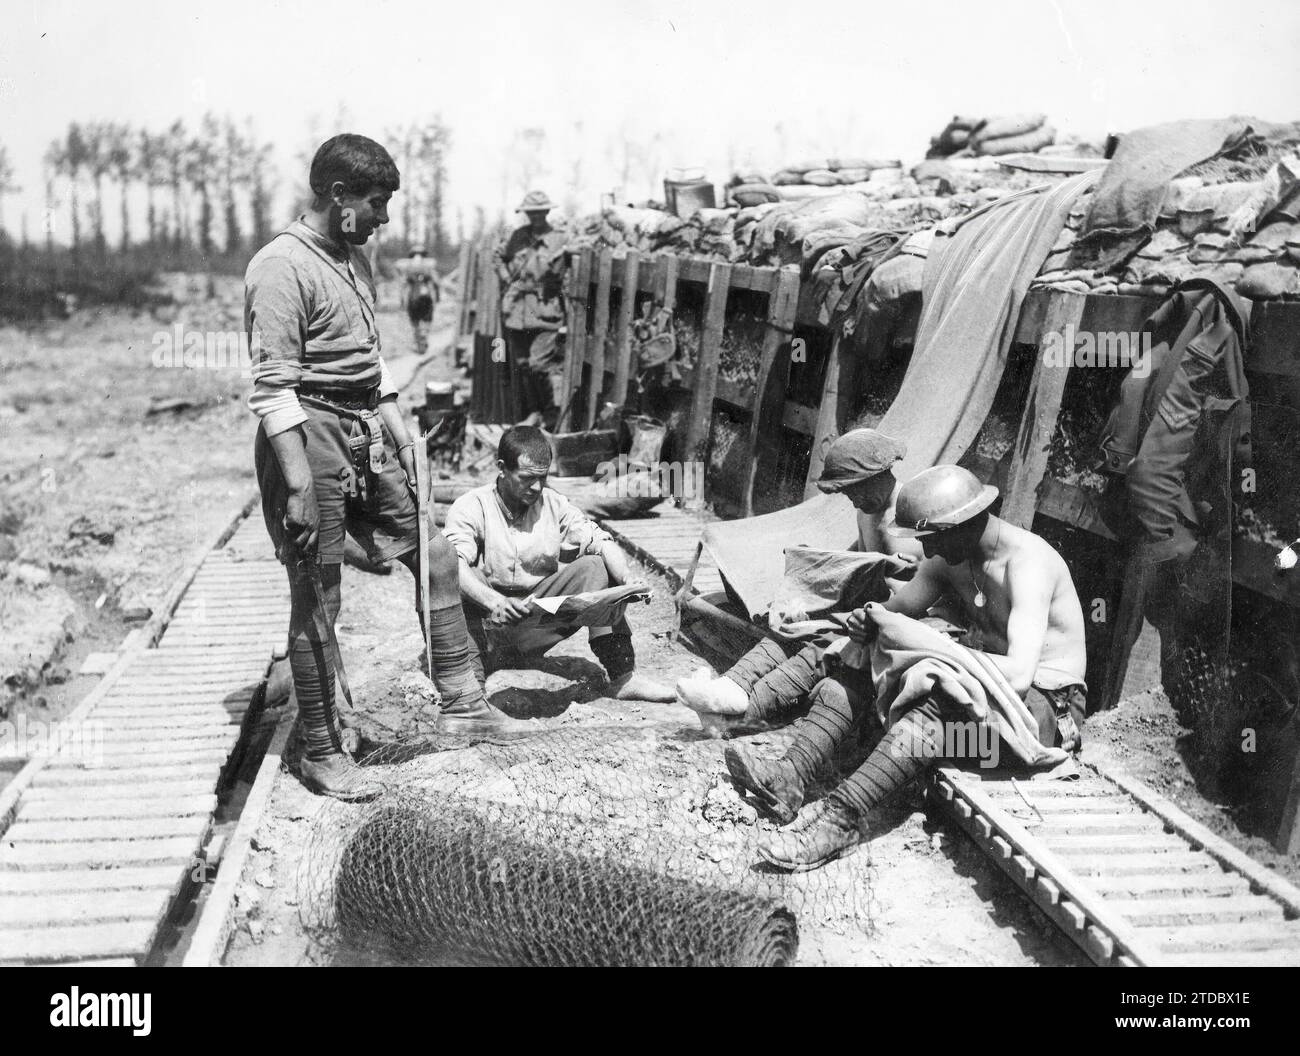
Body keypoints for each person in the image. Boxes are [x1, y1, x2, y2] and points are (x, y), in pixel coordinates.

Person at [245, 134, 509, 801]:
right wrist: (299, 485)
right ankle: (320, 750)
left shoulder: (353, 259)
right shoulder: (279, 267)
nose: (384, 218)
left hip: (364, 433)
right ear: (339, 195)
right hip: (307, 438)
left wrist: (405, 440)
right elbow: (273, 389)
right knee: (319, 595)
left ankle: (463, 702)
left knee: (436, 555)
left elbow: (370, 363)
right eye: (376, 203)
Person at [725, 464, 1088, 871]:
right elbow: (895, 611)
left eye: (932, 540)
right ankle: (790, 776)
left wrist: (933, 651)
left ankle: (841, 820)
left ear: (962, 525)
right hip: (985, 711)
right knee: (864, 652)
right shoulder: (951, 554)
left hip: (1038, 720)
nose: (927, 553)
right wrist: (867, 623)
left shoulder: (1028, 563)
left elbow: (1019, 676)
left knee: (937, 705)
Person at [674, 428, 909, 729]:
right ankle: (732, 685)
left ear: (875, 475)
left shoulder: (903, 519)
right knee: (795, 624)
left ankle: (733, 714)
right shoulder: (868, 510)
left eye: (854, 491)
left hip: (886, 624)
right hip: (861, 613)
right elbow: (855, 567)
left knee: (821, 640)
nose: (852, 501)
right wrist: (811, 596)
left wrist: (843, 617)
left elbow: (907, 602)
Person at [442, 426, 675, 702]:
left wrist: (626, 580)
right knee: (450, 573)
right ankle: (473, 692)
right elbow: (453, 564)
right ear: (502, 468)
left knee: (598, 566)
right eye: (527, 478)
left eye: (542, 478)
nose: (536, 487)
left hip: (533, 626)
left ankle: (623, 677)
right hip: (486, 626)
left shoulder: (553, 504)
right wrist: (495, 601)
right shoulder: (472, 506)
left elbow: (600, 540)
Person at [494, 191, 568, 423]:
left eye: (540, 212)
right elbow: (498, 257)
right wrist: (507, 279)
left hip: (545, 309)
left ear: (547, 211)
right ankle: (535, 413)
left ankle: (551, 415)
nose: (535, 216)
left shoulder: (560, 239)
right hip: (517, 311)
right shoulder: (518, 236)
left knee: (539, 363)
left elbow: (568, 272)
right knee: (524, 365)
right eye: (531, 213)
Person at [396, 247, 439, 354]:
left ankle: (417, 342)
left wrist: (402, 301)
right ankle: (423, 338)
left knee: (414, 320)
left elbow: (403, 285)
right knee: (427, 319)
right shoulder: (428, 267)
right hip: (426, 297)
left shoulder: (408, 268)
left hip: (413, 298)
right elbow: (436, 283)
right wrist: (438, 297)